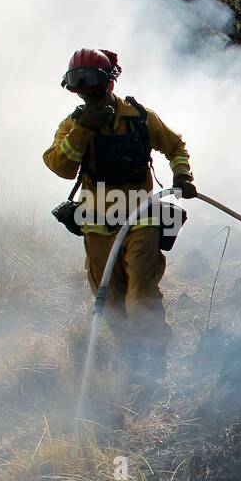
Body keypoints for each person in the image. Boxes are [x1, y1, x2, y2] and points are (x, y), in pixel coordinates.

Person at [44, 48, 195, 387]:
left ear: (110, 81)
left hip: (141, 220)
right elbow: (60, 166)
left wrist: (182, 176)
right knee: (110, 299)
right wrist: (82, 130)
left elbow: (175, 146)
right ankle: (132, 356)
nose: (87, 90)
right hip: (97, 228)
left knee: (140, 293)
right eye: (78, 84)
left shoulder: (140, 117)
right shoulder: (72, 125)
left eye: (93, 81)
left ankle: (153, 359)